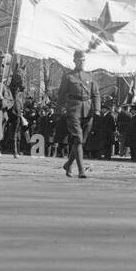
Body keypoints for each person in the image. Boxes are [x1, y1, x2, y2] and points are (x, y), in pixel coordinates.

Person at [56, 49, 98, 178]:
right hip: (73, 110)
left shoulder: (89, 77)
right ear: (74, 60)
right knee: (78, 138)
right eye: (79, 60)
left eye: (83, 60)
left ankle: (68, 164)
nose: (82, 62)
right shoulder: (69, 76)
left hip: (88, 111)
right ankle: (81, 170)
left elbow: (95, 94)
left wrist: (97, 109)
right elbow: (61, 94)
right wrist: (59, 110)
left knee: (80, 141)